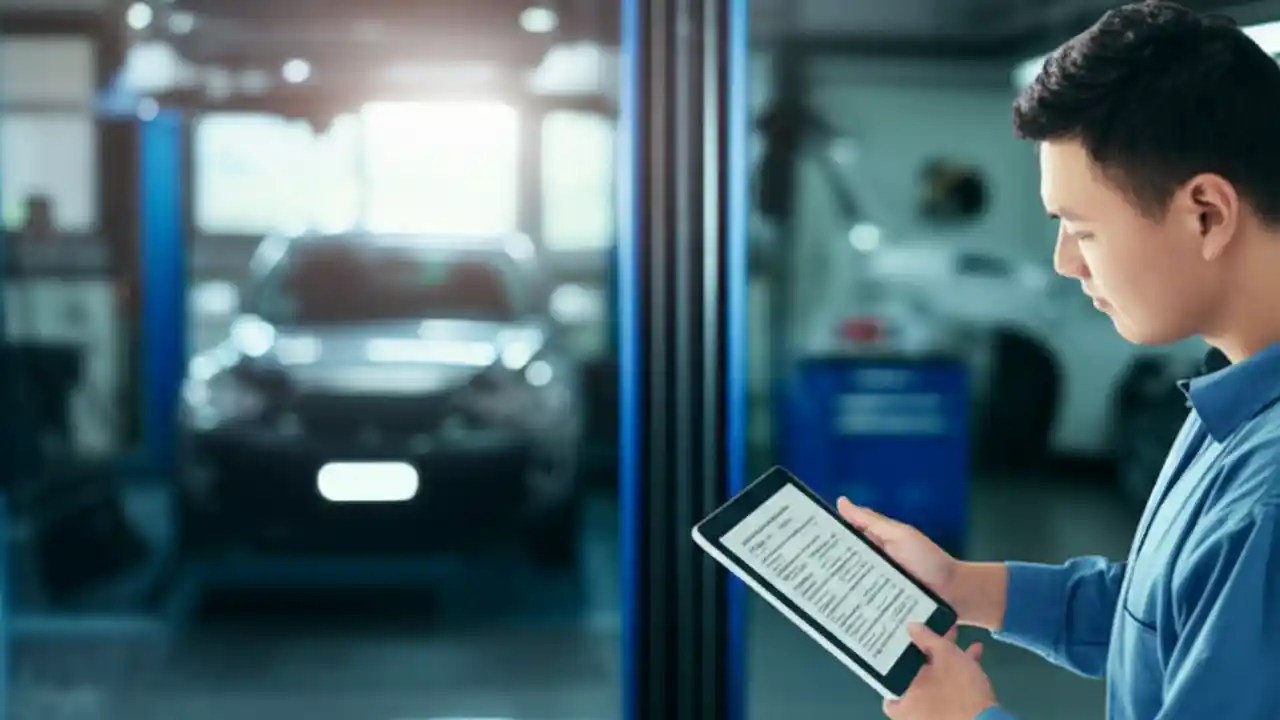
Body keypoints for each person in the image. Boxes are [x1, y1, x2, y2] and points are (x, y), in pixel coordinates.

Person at [838, 2, 1280, 719]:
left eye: (1083, 230)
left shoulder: (1270, 499)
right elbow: (1168, 615)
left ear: (1206, 213)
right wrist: (958, 586)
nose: (1065, 262)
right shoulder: (1234, 401)